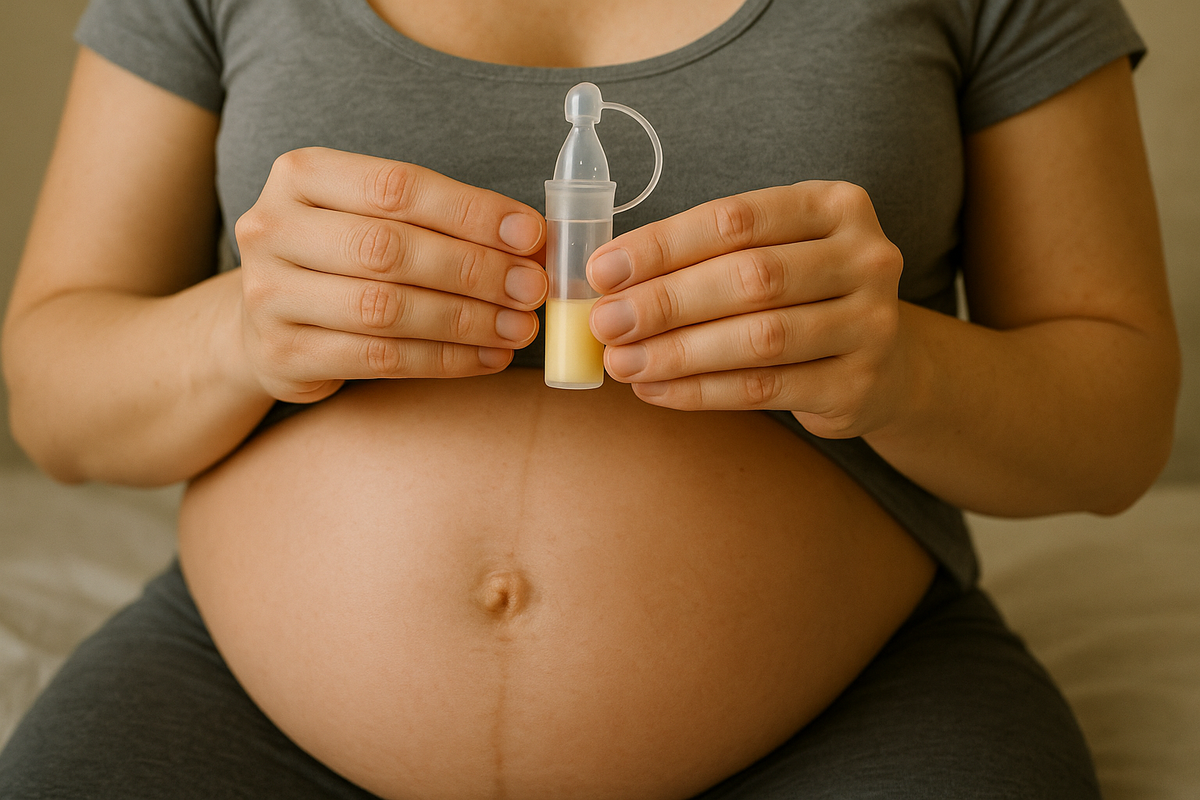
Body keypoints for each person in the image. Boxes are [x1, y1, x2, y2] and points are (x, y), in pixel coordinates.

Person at [0, 0, 1180, 796]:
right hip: (239, 706)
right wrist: (241, 327)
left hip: (850, 709)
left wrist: (906, 366)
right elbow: (51, 399)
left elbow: (1117, 427)